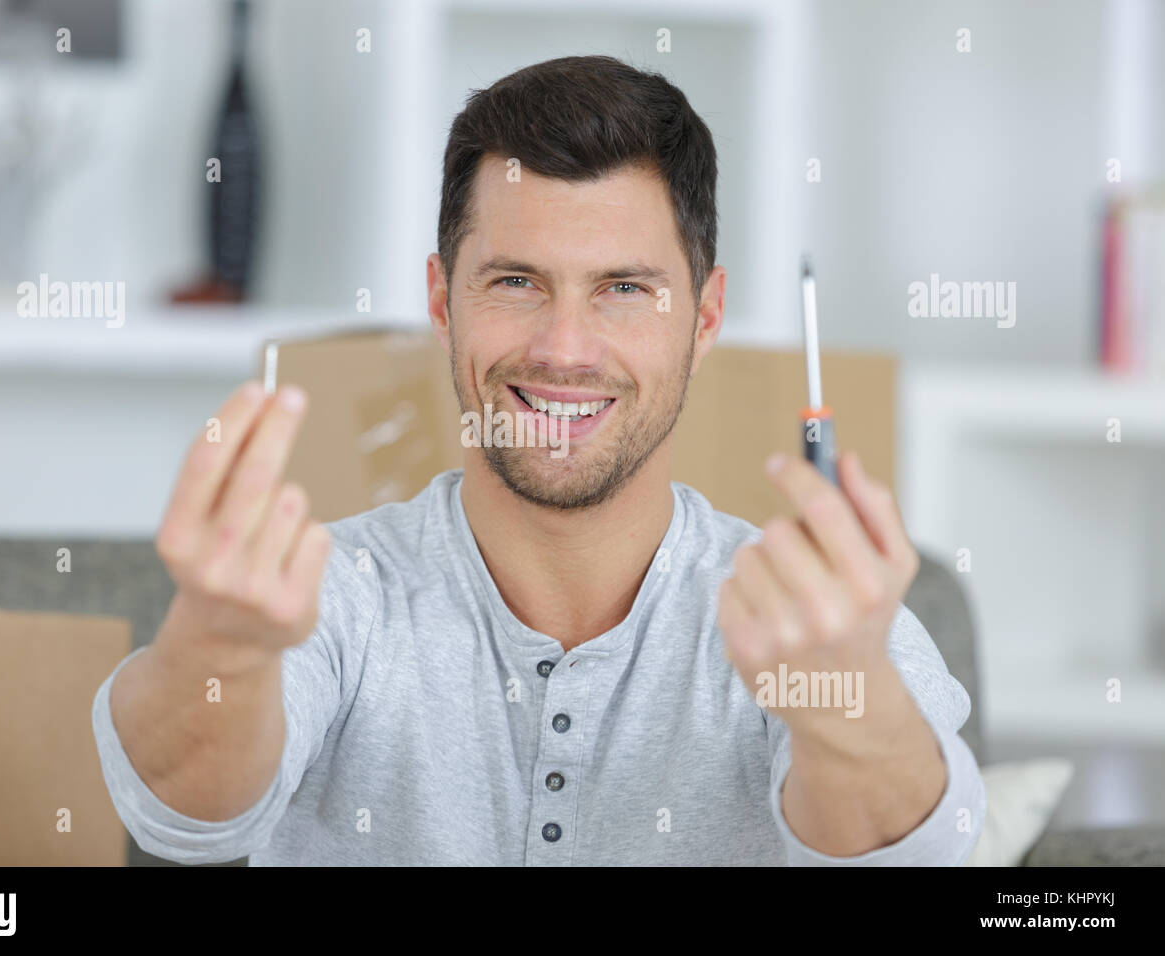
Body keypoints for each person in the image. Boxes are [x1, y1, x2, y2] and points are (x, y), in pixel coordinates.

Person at [93, 54, 985, 865]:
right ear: (442, 302)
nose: (565, 349)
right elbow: (185, 821)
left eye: (624, 290)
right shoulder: (335, 594)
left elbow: (911, 862)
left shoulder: (810, 620)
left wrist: (842, 699)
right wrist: (222, 640)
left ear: (704, 319)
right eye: (516, 282)